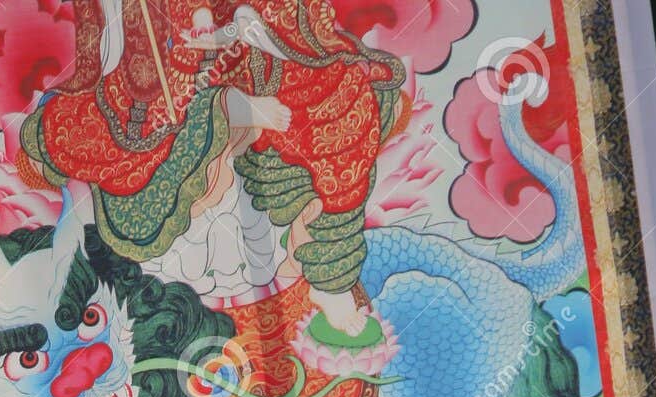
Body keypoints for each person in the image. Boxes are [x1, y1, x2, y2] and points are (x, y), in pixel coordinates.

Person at [21, 1, 406, 339]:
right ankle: (225, 108)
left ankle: (331, 281)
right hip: (168, 70)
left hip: (258, 45)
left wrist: (233, 30)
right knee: (117, 134)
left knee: (342, 98)